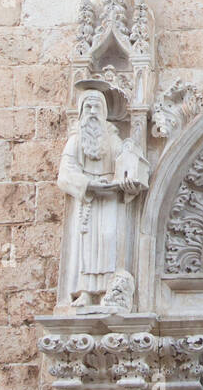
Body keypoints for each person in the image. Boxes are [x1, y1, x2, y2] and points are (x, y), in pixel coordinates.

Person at [58, 88, 146, 308]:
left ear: (104, 111)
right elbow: (65, 173)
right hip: (87, 199)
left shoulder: (111, 138)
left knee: (107, 240)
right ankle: (86, 292)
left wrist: (129, 155)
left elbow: (125, 159)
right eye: (87, 107)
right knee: (85, 245)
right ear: (80, 111)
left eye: (97, 107)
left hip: (109, 199)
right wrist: (88, 184)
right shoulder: (76, 141)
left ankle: (108, 289)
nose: (92, 111)